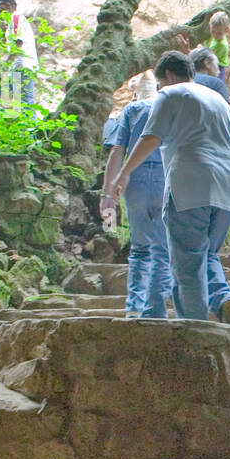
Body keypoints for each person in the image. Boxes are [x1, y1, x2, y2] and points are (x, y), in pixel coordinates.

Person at [105, 51, 230, 323]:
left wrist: (123, 174)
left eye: (159, 84)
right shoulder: (218, 99)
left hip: (192, 182)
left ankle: (194, 332)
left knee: (187, 266)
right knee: (205, 254)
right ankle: (221, 297)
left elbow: (151, 137)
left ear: (167, 76)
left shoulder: (170, 94)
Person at [102, 70, 173, 318]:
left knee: (140, 249)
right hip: (165, 177)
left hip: (134, 178)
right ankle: (155, 307)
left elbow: (116, 151)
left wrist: (107, 193)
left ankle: (134, 306)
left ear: (136, 91)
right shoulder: (169, 107)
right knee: (163, 248)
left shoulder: (131, 111)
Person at [0, 0, 38, 107]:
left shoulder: (16, 18)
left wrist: (5, 67)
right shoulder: (10, 25)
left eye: (0, 10)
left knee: (26, 101)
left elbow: (18, 44)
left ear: (8, 6)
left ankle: (31, 124)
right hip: (17, 68)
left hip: (22, 66)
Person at [208, 11, 230, 82]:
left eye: (219, 33)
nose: (215, 35)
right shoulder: (214, 38)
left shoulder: (222, 45)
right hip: (212, 64)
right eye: (213, 31)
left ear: (227, 30)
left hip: (218, 67)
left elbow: (210, 56)